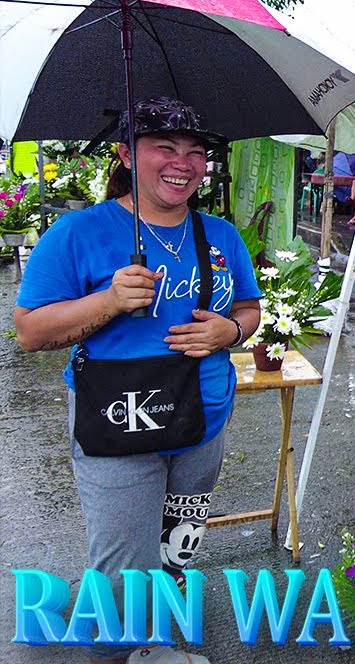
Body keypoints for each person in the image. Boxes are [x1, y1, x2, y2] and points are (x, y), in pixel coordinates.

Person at [13, 97, 262, 664]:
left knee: (176, 551)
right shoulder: (79, 233)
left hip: (204, 420)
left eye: (197, 152)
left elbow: (249, 307)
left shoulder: (220, 234)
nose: (184, 163)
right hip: (116, 423)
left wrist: (231, 331)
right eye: (165, 148)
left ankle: (154, 647)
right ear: (127, 153)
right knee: (124, 569)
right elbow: (29, 332)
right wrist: (107, 301)